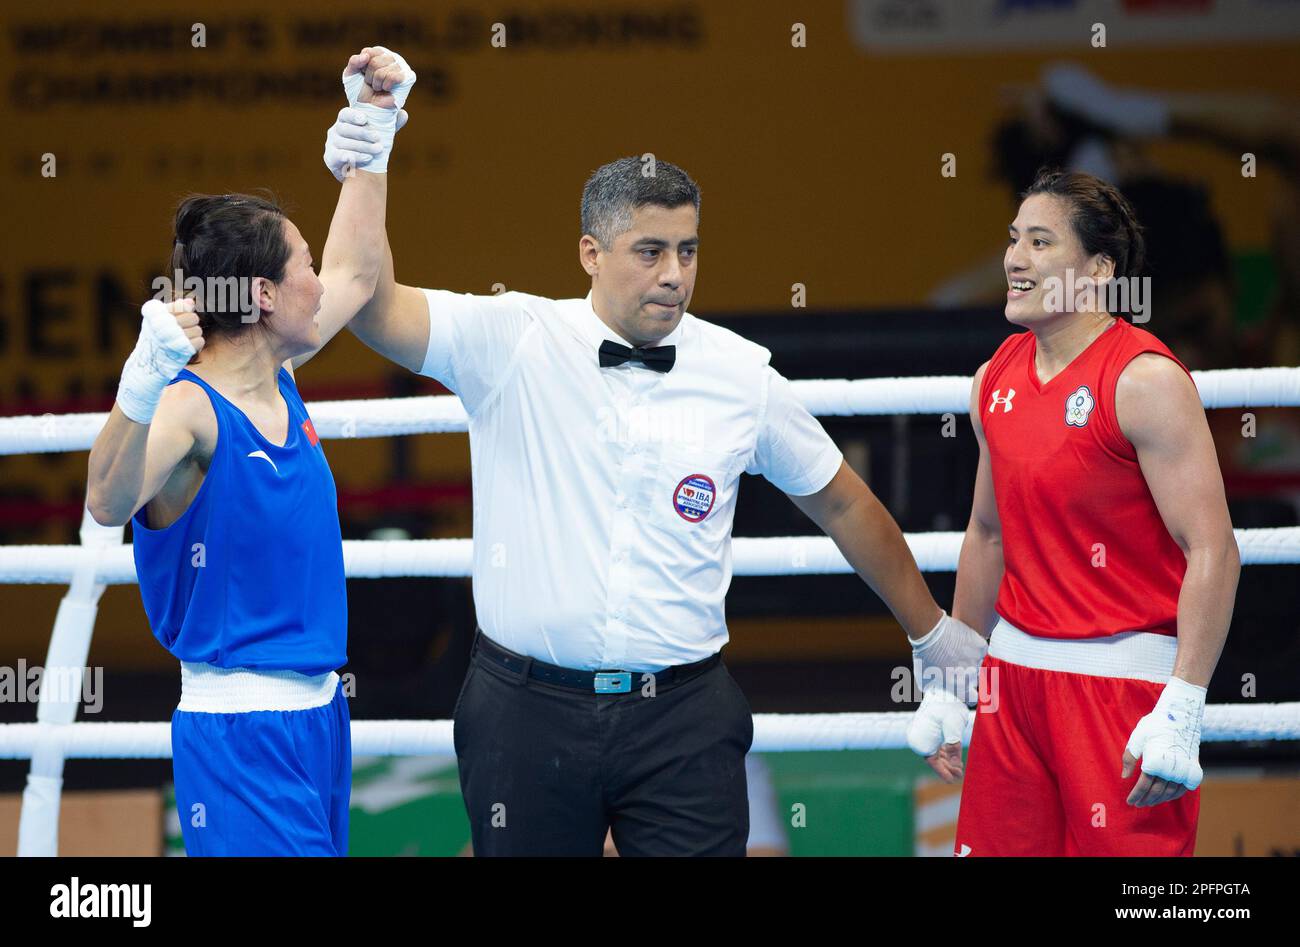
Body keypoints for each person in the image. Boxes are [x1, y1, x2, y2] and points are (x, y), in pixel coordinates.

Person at [323, 96, 986, 856]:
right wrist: (369, 157)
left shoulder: (740, 373)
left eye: (689, 250)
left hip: (683, 717)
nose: (675, 274)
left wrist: (930, 630)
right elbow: (371, 308)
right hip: (523, 708)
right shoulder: (511, 338)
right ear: (590, 254)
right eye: (650, 251)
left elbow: (843, 500)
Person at [84, 48, 414, 855]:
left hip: (317, 717)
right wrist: (137, 384)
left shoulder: (280, 374)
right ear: (264, 294)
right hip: (239, 733)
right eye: (301, 264)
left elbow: (360, 272)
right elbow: (104, 500)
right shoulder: (191, 409)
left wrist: (373, 126)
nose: (316, 277)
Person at [907, 168, 1241, 856]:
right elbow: (987, 532)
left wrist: (1182, 705)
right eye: (1013, 239)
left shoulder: (1145, 380)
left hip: (1119, 690)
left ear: (1096, 270)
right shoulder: (994, 377)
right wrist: (952, 687)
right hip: (1012, 686)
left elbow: (1213, 548)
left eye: (1039, 241)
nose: (1014, 259)